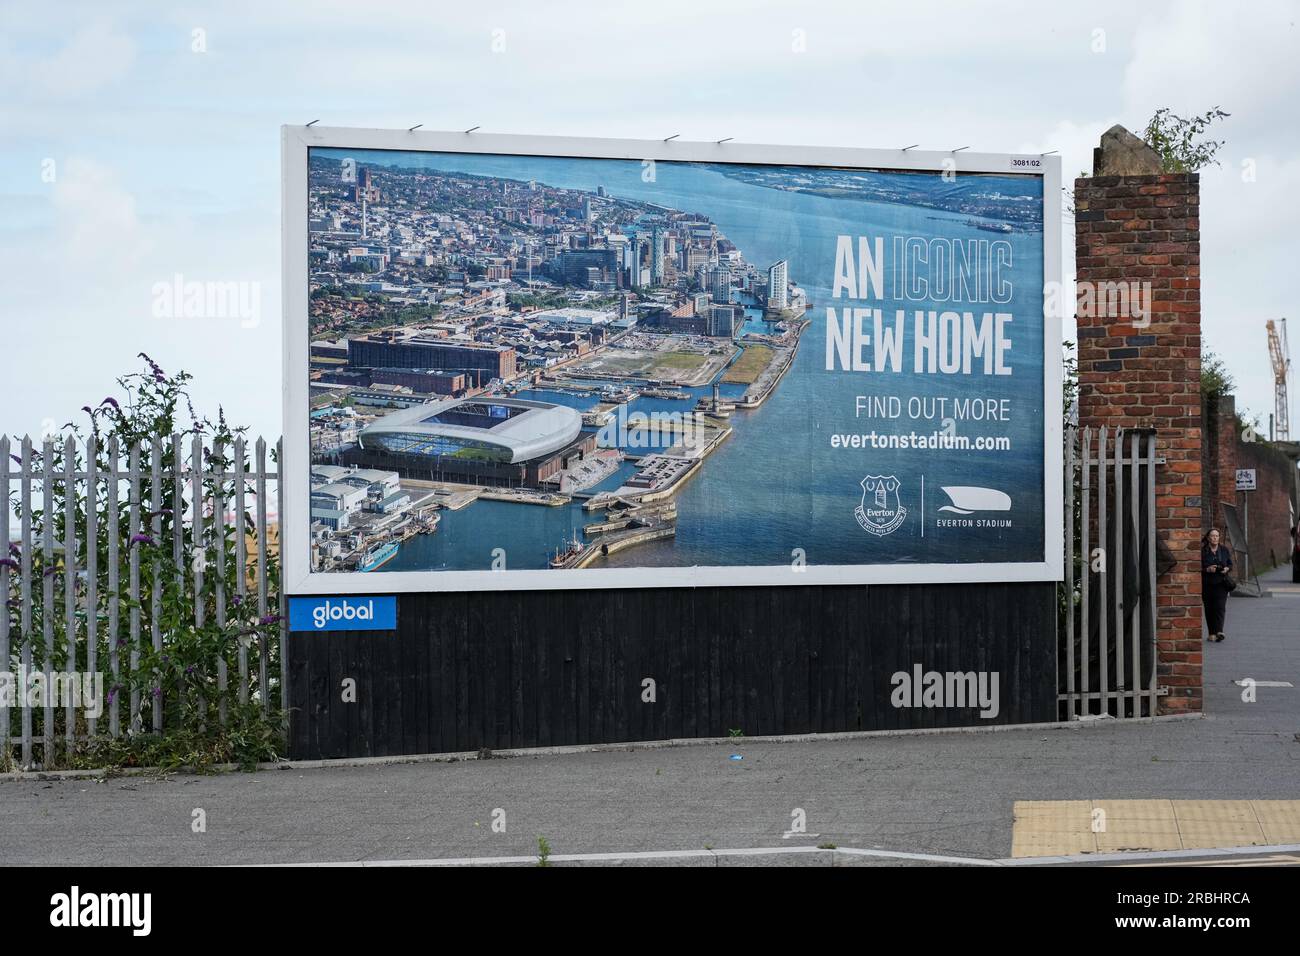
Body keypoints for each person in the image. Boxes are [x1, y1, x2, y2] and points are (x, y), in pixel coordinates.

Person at [1201, 528, 1233, 642]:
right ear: (1208, 538)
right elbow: (1198, 567)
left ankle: (1219, 631)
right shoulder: (1203, 551)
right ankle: (1211, 633)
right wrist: (1207, 569)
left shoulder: (1224, 550)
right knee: (1209, 609)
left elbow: (1230, 563)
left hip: (1221, 584)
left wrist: (1226, 568)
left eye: (1217, 536)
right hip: (1207, 584)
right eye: (1212, 536)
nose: (1215, 538)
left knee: (1220, 608)